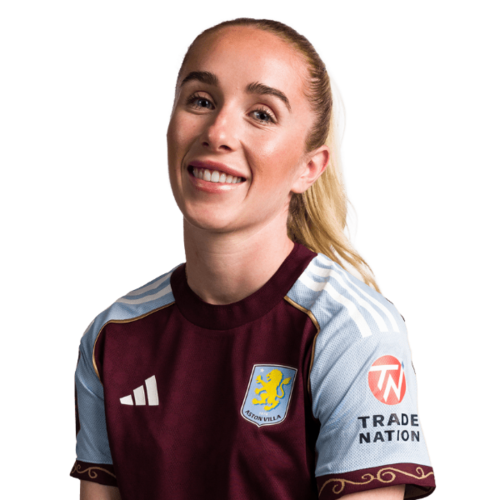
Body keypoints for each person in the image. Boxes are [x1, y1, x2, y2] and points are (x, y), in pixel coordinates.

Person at [69, 16, 437, 500]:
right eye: (201, 101)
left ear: (309, 167)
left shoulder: (354, 332)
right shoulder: (112, 334)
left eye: (261, 114)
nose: (218, 132)